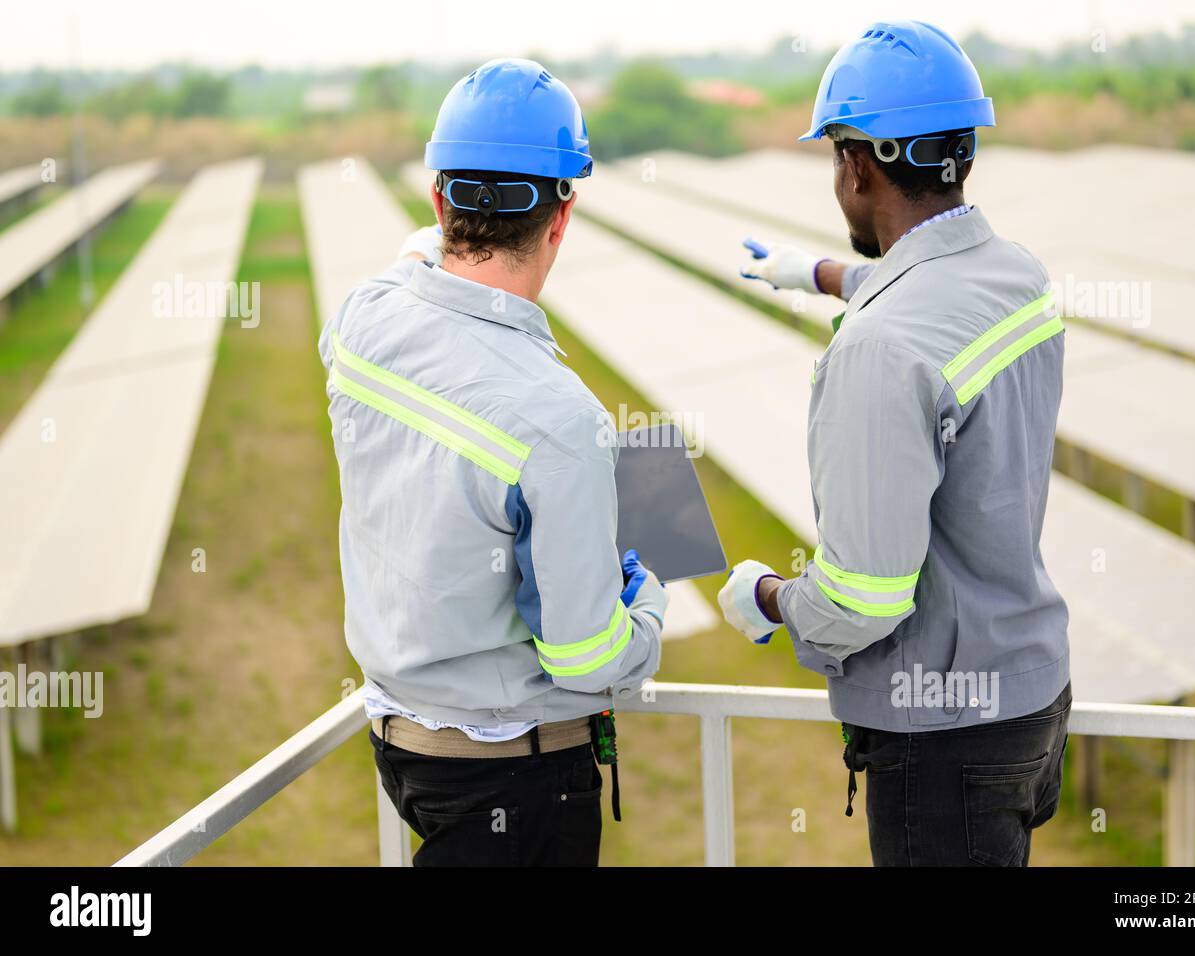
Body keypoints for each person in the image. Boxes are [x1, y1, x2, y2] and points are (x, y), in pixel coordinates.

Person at [717, 21, 1071, 867]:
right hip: (1031, 703)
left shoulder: (879, 351)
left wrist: (765, 600)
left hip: (942, 745)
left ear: (857, 166)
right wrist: (812, 273)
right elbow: (926, 282)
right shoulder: (1018, 275)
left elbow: (863, 601)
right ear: (964, 153)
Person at [319, 57, 666, 867]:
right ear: (563, 215)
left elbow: (415, 259)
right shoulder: (560, 418)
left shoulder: (361, 324)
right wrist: (645, 614)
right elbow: (584, 659)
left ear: (439, 199)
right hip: (516, 778)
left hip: (406, 749)